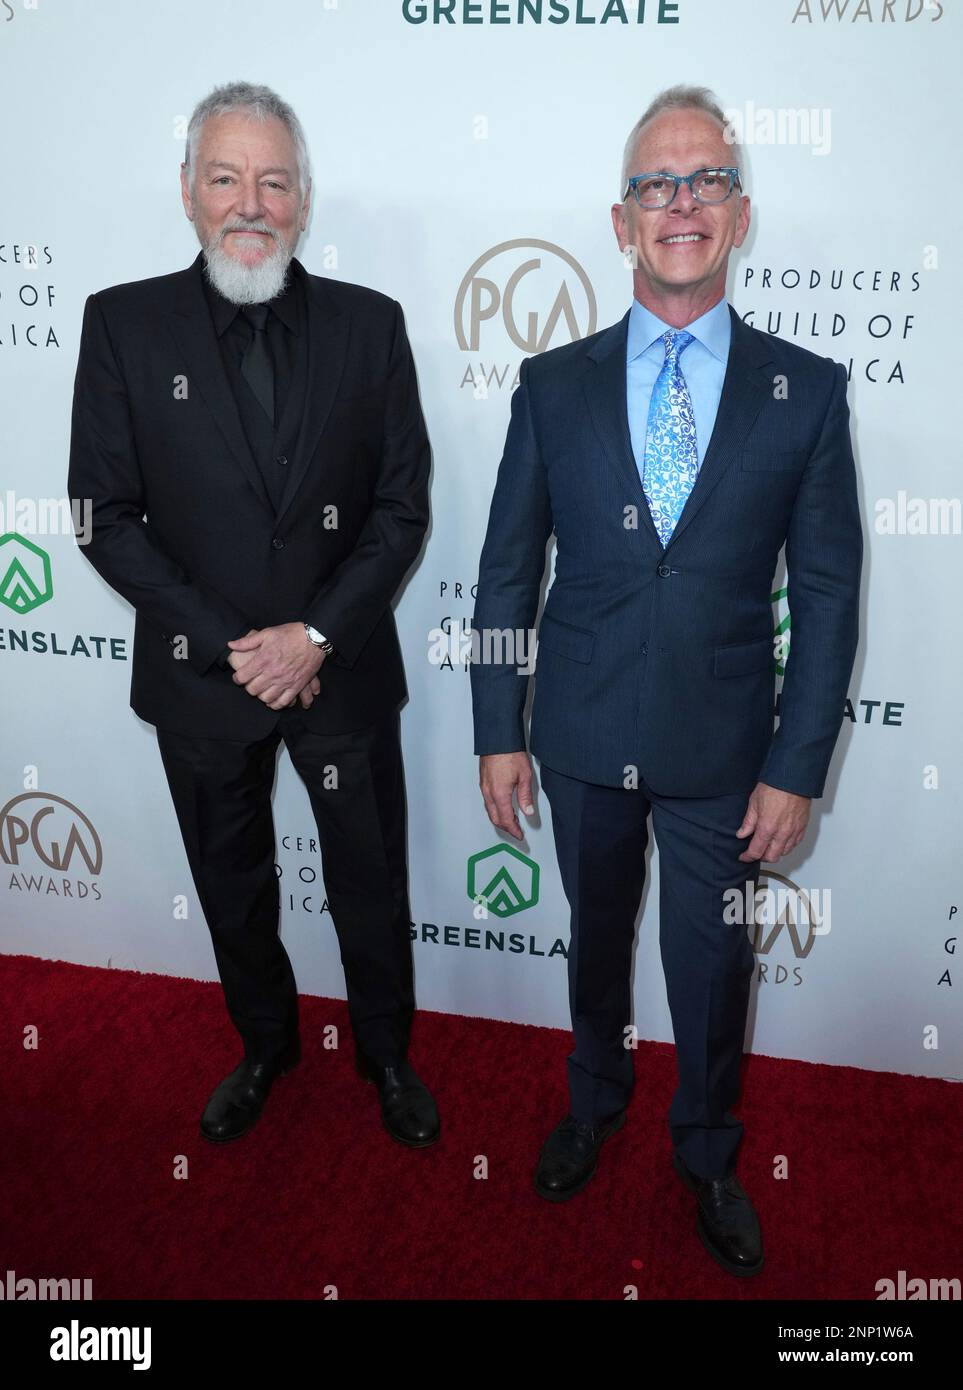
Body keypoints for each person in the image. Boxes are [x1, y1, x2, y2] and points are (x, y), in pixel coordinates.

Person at [470, 84, 862, 1276]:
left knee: (711, 965)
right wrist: (498, 731)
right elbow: (500, 579)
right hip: (581, 737)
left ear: (739, 215)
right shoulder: (552, 385)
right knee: (595, 942)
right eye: (657, 184)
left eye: (705, 183)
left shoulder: (808, 390)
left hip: (724, 755)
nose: (680, 203)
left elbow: (832, 596)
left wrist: (798, 766)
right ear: (620, 216)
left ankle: (707, 1152)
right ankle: (593, 1099)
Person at [67, 81, 439, 1150]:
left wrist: (315, 634)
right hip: (202, 677)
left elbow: (400, 506)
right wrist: (242, 647)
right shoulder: (122, 324)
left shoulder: (373, 328)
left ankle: (385, 1053)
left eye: (274, 180)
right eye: (225, 177)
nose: (251, 202)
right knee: (233, 884)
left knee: (369, 880)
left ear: (304, 199)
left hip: (344, 670)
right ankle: (264, 1044)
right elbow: (103, 512)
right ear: (188, 192)